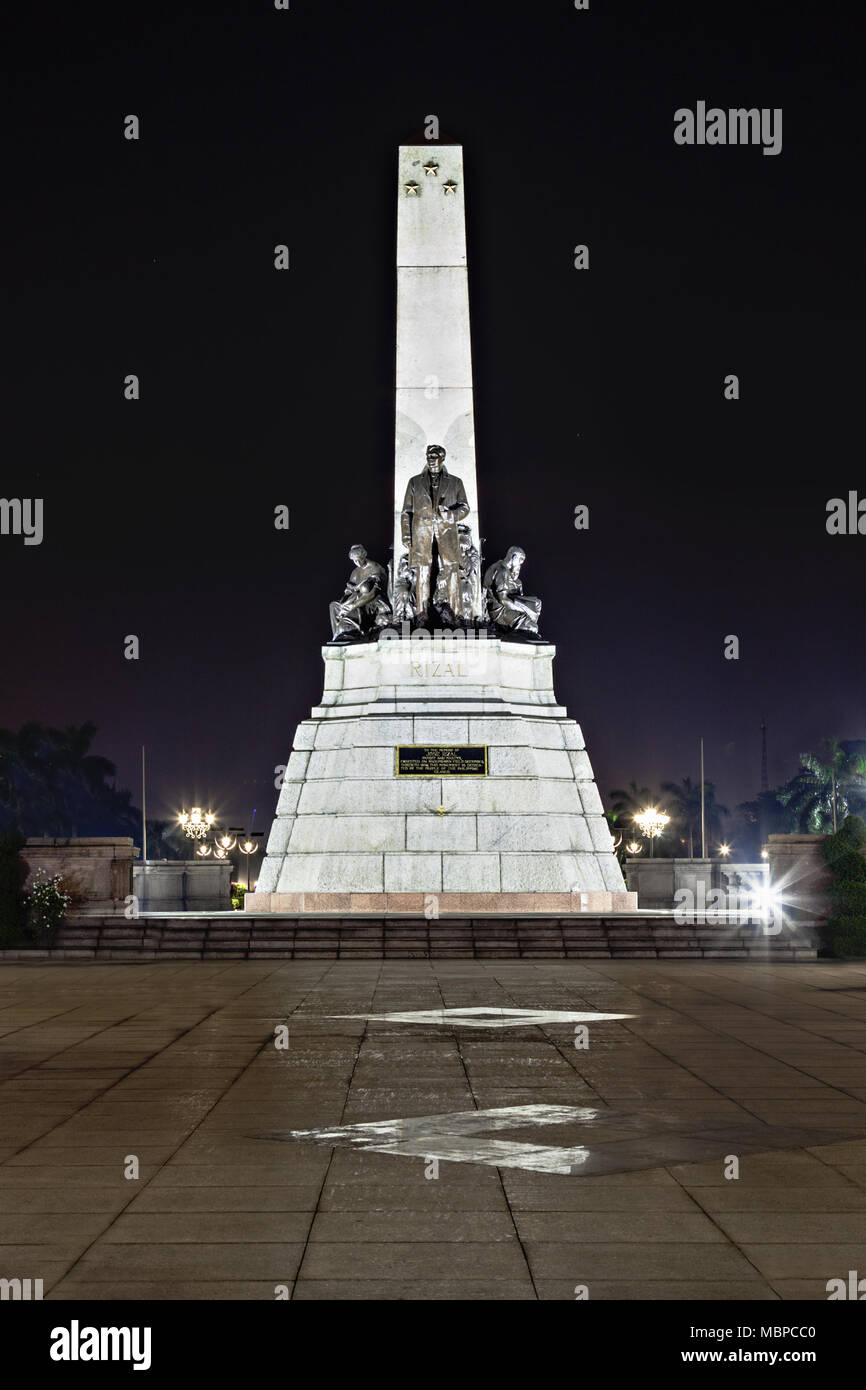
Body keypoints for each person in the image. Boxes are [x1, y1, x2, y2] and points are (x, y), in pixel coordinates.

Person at [400, 444, 469, 622]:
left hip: (446, 534)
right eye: (429, 456)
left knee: (452, 571)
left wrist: (451, 515)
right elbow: (406, 511)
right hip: (422, 535)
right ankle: (421, 616)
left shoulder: (455, 482)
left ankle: (457, 615)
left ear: (442, 458)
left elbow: (465, 507)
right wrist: (406, 535)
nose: (431, 459)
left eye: (435, 456)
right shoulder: (414, 482)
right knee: (422, 573)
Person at [328, 544, 391, 642]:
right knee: (334, 606)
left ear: (364, 556)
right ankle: (338, 636)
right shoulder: (355, 573)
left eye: (358, 559)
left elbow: (373, 593)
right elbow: (348, 592)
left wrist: (352, 606)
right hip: (355, 599)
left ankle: (351, 631)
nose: (356, 562)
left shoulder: (375, 568)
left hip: (371, 602)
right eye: (354, 560)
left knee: (353, 610)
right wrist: (344, 604)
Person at [482, 546, 542, 635]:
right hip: (499, 610)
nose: (520, 564)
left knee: (536, 604)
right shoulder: (502, 571)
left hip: (502, 606)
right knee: (532, 627)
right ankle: (515, 635)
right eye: (520, 561)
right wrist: (524, 610)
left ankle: (521, 630)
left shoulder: (502, 568)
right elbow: (503, 600)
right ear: (514, 557)